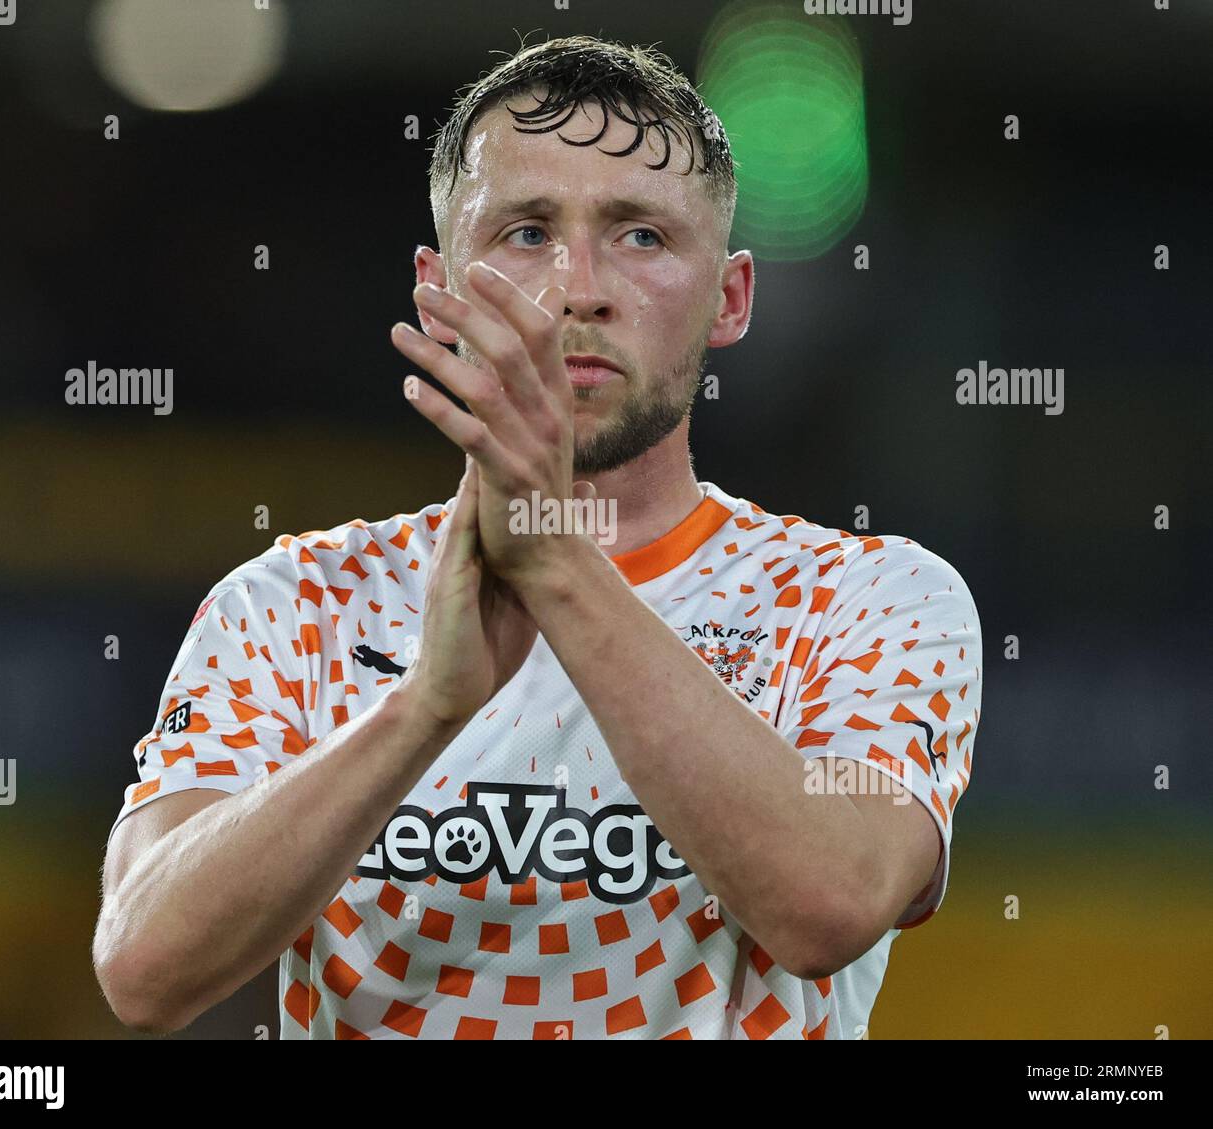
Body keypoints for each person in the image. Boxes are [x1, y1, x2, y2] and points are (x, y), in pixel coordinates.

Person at [94, 34, 981, 1040]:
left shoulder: (868, 597)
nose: (579, 287)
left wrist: (554, 560)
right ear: (439, 289)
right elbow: (143, 968)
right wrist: (422, 705)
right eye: (524, 233)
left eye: (640, 235)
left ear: (729, 297)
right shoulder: (293, 601)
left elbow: (830, 903)